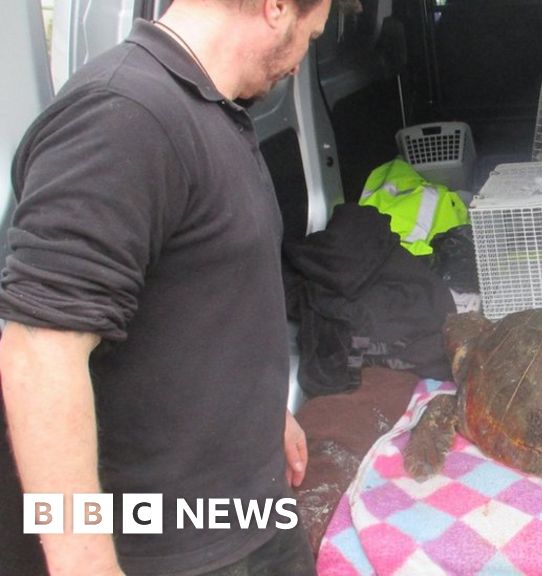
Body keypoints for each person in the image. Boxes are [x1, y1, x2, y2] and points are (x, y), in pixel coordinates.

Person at [0, 0, 332, 573]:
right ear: (277, 8)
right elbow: (40, 351)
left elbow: (207, 298)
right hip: (174, 546)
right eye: (313, 34)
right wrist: (84, 562)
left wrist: (266, 415)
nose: (302, 60)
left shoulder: (210, 109)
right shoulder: (124, 114)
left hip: (249, 509)